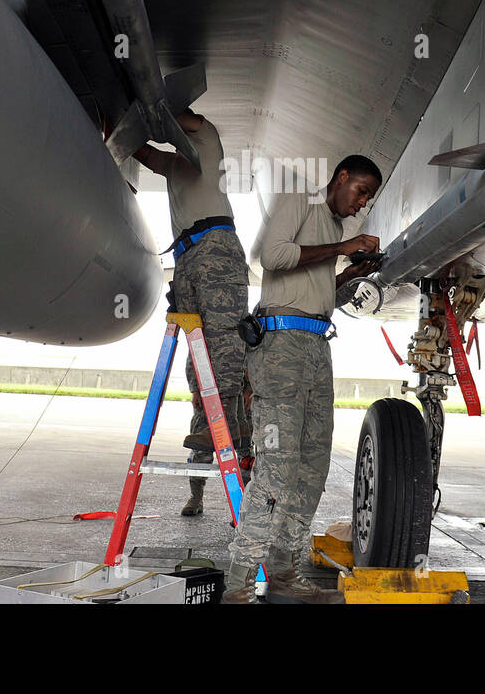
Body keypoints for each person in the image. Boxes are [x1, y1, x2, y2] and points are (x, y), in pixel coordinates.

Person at [222, 154, 383, 603]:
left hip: (316, 346)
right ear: (342, 177)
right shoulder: (301, 199)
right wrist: (342, 249)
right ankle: (237, 583)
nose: (361, 205)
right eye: (361, 191)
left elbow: (313, 291)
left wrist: (350, 272)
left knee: (312, 466)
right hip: (282, 347)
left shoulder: (331, 229)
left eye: (369, 199)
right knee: (276, 467)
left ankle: (283, 571)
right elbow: (271, 257)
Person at [134, 109, 251, 517]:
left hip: (216, 247)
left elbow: (187, 120)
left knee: (226, 349)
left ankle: (235, 436)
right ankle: (198, 489)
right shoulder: (172, 167)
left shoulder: (207, 142)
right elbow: (145, 153)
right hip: (186, 257)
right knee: (199, 368)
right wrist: (113, 123)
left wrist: (150, 105)